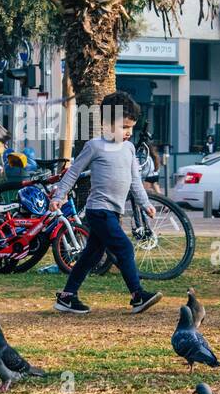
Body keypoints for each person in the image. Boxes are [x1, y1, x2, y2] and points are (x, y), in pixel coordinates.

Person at [49, 90, 163, 316]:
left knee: (90, 256)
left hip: (113, 212)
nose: (129, 132)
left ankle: (67, 297)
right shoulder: (95, 146)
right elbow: (73, 173)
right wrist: (59, 196)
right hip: (99, 211)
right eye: (124, 127)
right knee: (124, 247)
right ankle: (137, 295)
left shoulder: (129, 149)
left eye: (132, 127)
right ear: (107, 124)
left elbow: (135, 181)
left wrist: (145, 203)